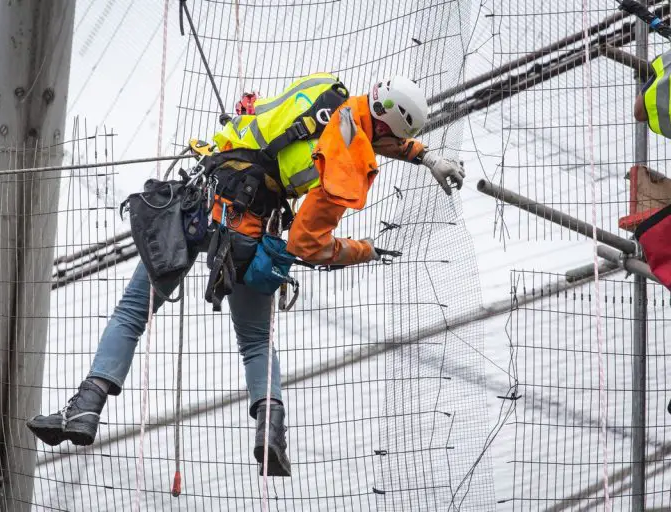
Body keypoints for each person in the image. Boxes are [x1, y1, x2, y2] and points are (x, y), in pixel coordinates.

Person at [27, 74, 465, 477]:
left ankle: (86, 407)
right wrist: (363, 251)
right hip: (248, 229)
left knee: (133, 312)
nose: (391, 144)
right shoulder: (346, 163)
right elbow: (307, 245)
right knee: (255, 341)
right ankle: (271, 433)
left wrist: (425, 156)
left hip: (203, 201)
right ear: (386, 127)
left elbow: (357, 127)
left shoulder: (327, 91)